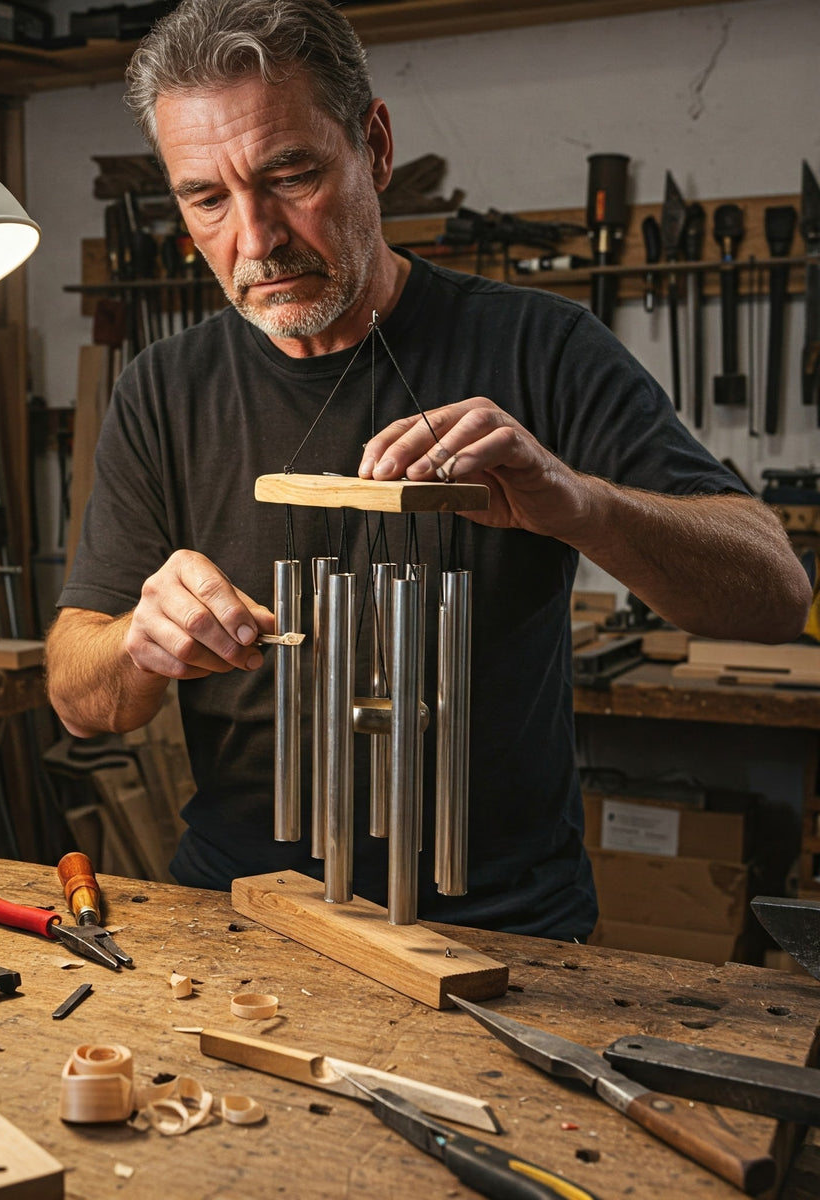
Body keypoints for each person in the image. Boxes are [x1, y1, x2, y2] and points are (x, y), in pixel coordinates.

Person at [44, 0, 810, 940]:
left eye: (291, 175)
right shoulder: (160, 389)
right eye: (207, 198)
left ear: (374, 146)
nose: (255, 237)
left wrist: (579, 505)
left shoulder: (546, 345)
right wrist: (137, 643)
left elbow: (773, 594)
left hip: (503, 926)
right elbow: (78, 699)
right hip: (241, 918)